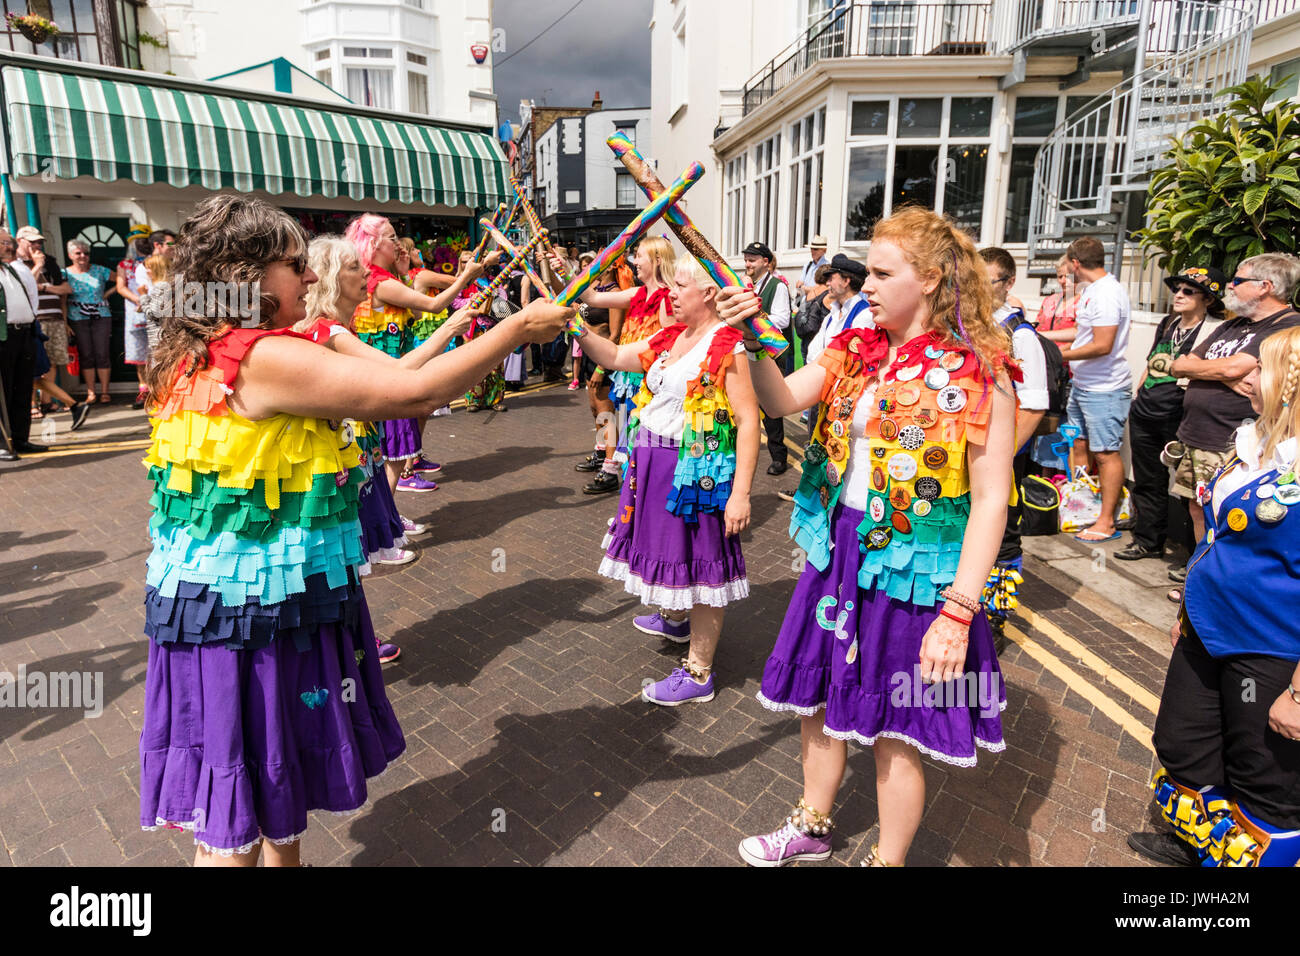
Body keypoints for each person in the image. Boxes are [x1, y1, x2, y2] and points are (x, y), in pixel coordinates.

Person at [137, 194, 572, 865]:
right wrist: (513, 333)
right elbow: (410, 395)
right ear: (242, 277)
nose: (309, 278)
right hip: (246, 621)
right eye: (292, 266)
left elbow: (399, 378)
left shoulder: (199, 348)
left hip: (246, 609)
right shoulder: (258, 357)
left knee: (270, 799)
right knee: (235, 821)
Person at [719, 207, 1018, 867]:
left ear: (934, 279)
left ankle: (888, 862)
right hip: (839, 548)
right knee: (819, 699)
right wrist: (750, 337)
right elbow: (780, 400)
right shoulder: (856, 348)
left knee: (894, 729)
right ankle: (812, 827)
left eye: (883, 273)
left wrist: (960, 611)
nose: (865, 283)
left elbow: (993, 498)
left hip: (915, 566)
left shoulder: (980, 371)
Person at [1128, 327, 1300, 868]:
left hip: (1270, 649)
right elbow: (1216, 536)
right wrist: (1187, 611)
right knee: (1183, 743)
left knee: (1262, 776)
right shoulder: (1254, 440)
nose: (1247, 375)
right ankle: (1202, 845)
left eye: (1261, 369)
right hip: (1208, 627)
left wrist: (1298, 694)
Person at [577, 258, 759, 704]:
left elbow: (749, 420)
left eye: (680, 286)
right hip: (653, 463)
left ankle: (698, 674)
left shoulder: (726, 345)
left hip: (695, 473)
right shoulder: (673, 335)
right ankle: (677, 619)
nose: (671, 294)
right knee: (671, 552)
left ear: (710, 293)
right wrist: (575, 327)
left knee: (703, 566)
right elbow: (618, 356)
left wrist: (741, 494)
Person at [1168, 254, 1300, 585]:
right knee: (1197, 507)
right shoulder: (1232, 324)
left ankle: (1218, 581)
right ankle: (1200, 574)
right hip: (1196, 433)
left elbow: (1228, 367)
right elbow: (1179, 364)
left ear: (1265, 287)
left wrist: (1218, 370)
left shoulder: (1287, 325)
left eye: (1238, 281)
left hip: (1232, 441)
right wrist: (1226, 374)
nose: (1230, 286)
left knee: (1226, 513)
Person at [343, 214, 484, 497]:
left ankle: (388, 514)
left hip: (383, 372)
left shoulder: (380, 279)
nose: (398, 244)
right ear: (374, 243)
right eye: (392, 237)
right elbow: (432, 306)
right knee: (392, 457)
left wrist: (405, 273)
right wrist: (466, 277)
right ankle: (389, 515)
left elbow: (416, 313)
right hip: (389, 375)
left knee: (385, 455)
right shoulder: (381, 282)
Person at [1116, 267, 1226, 562]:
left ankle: (1193, 557)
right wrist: (1138, 396)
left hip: (1182, 416)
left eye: (1188, 291)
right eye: (1177, 289)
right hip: (1146, 411)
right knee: (1148, 479)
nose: (1179, 294)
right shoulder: (1168, 322)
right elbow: (1152, 361)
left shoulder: (1215, 330)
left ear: (1208, 299)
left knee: (1193, 489)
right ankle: (1148, 541)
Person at [567, 236, 676, 495]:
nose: (634, 261)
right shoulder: (638, 293)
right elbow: (591, 297)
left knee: (639, 441)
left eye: (639, 255)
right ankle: (624, 487)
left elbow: (666, 352)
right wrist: (566, 268)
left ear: (658, 260)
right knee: (623, 434)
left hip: (647, 384)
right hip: (626, 379)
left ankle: (633, 495)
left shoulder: (667, 300)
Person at [979, 247, 1048, 633]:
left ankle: (995, 617)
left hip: (1003, 458)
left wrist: (1002, 457)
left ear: (1008, 283)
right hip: (971, 453)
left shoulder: (1022, 336)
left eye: (985, 281)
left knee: (1003, 537)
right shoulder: (972, 325)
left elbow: (1035, 407)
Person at [1058, 236, 1132, 543]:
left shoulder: (1105, 294)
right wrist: (1040, 334)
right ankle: (1083, 508)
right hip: (1084, 384)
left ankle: (1106, 522)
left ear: (1075, 264)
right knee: (1079, 447)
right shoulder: (1093, 291)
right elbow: (1082, 332)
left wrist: (1056, 354)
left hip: (1105, 389)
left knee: (1104, 454)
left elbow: (1102, 345)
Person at [742, 241, 793, 475]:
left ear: (766, 262)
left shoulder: (777, 286)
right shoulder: (746, 284)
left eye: (752, 260)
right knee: (746, 404)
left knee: (771, 408)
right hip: (748, 350)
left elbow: (782, 320)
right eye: (746, 259)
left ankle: (779, 457)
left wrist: (754, 318)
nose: (747, 264)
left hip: (771, 353)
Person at [575, 262, 625, 495]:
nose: (590, 268)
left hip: (603, 360)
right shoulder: (594, 289)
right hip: (588, 356)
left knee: (606, 414)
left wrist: (601, 368)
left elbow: (615, 334)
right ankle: (600, 451)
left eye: (595, 264)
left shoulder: (615, 294)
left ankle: (611, 468)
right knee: (595, 410)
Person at [0, 231, 44, 454]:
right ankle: (2, 444)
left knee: (23, 389)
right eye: (5, 243)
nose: (10, 247)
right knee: (3, 392)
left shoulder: (11, 270)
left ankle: (20, 439)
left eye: (10, 243)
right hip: (3, 338)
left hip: (24, 335)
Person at [64, 237, 118, 405]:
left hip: (101, 315)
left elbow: (122, 280)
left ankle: (105, 391)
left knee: (102, 353)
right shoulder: (64, 273)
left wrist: (107, 294)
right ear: (70, 255)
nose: (82, 256)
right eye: (78, 253)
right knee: (86, 354)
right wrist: (65, 322)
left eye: (86, 253)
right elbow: (62, 298)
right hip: (77, 317)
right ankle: (91, 392)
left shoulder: (100, 270)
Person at [1037, 254, 1081, 335]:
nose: (1063, 281)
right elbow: (1037, 326)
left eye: (1068, 276)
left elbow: (1081, 336)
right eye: (1060, 277)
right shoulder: (1049, 301)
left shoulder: (1083, 301)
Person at [795, 236, 830, 306]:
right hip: (803, 305)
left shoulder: (827, 267)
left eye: (815, 249)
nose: (812, 251)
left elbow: (823, 290)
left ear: (824, 250)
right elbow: (798, 286)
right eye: (811, 248)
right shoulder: (807, 265)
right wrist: (811, 289)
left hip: (817, 305)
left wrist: (803, 288)